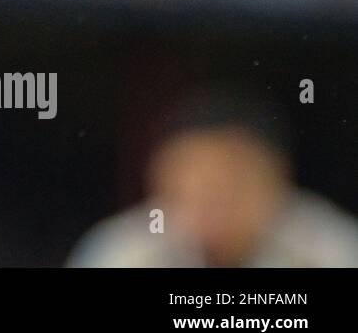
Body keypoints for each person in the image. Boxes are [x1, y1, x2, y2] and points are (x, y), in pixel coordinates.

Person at [68, 87, 358, 267]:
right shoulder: (123, 253)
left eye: (231, 183)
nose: (212, 202)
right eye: (195, 184)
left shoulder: (329, 249)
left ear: (277, 180)